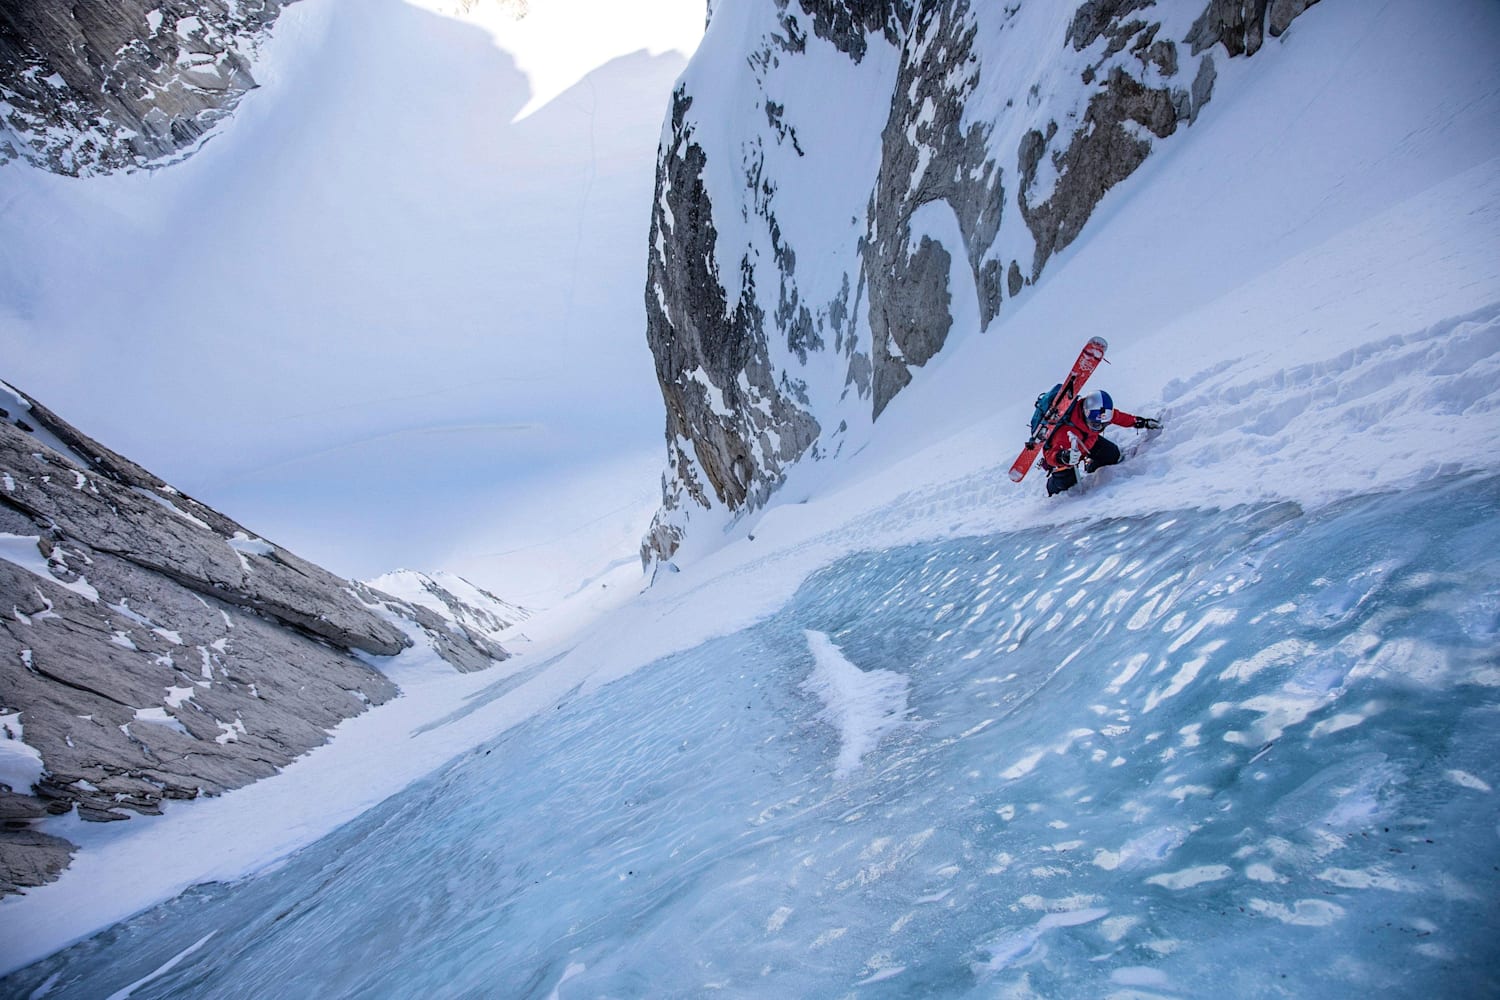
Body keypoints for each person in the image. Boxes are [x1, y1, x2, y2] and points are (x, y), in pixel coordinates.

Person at [1041, 390, 1160, 496]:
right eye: (1095, 425)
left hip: (1088, 442)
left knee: (1112, 455)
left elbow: (1118, 417)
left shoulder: (1099, 415)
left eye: (1104, 425)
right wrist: (1063, 457)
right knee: (1066, 484)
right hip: (1068, 453)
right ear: (1085, 414)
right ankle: (1052, 486)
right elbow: (1049, 455)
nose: (1099, 429)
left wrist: (1141, 422)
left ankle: (1091, 467)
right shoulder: (1066, 431)